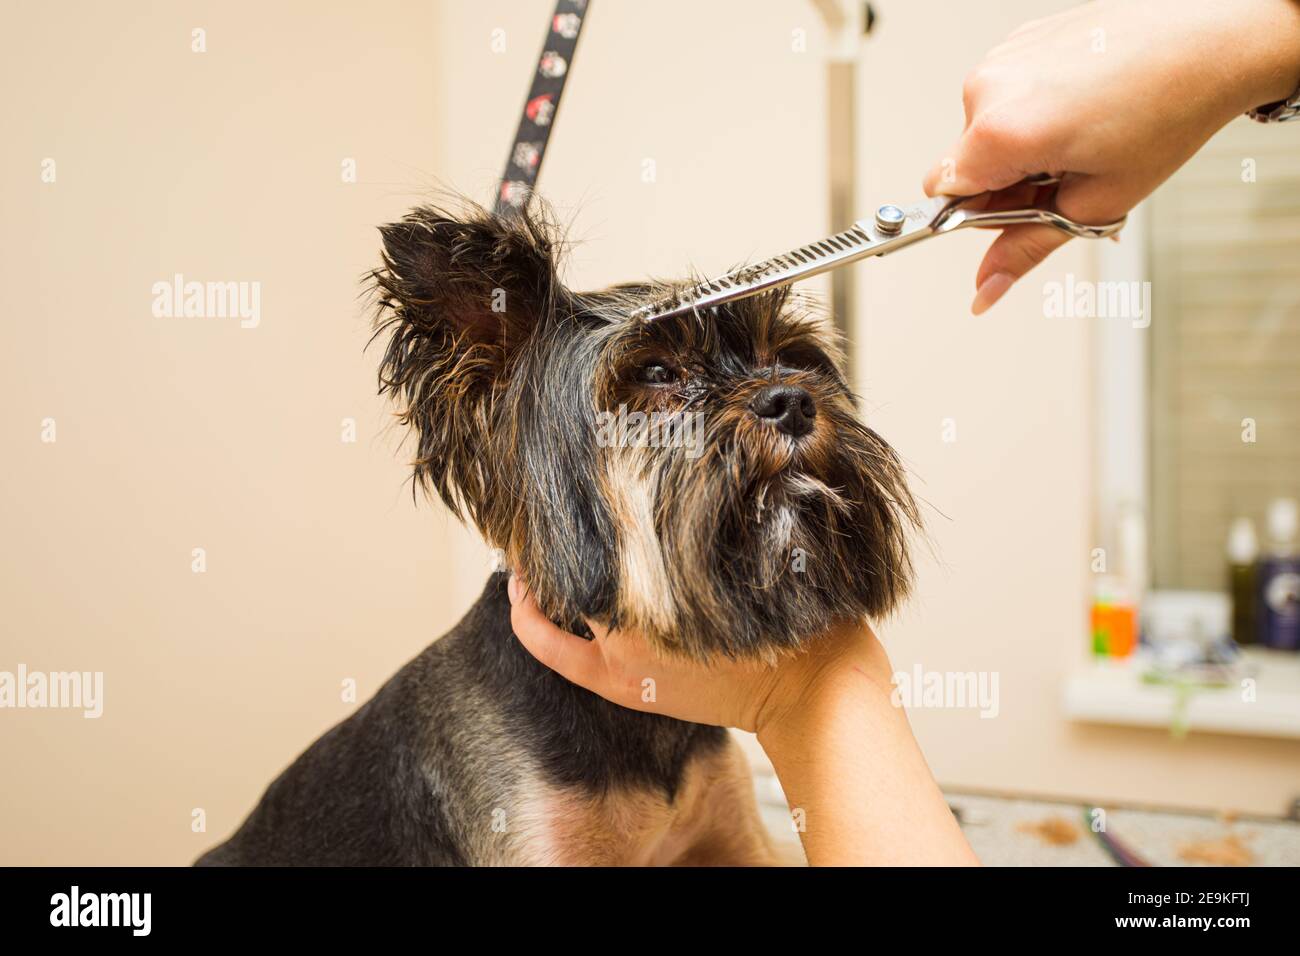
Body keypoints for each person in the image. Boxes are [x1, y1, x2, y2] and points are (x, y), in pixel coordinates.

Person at [509, 0, 1300, 865]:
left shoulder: (710, 738)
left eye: (795, 365)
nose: (784, 400)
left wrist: (1234, 38)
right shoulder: (520, 779)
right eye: (660, 381)